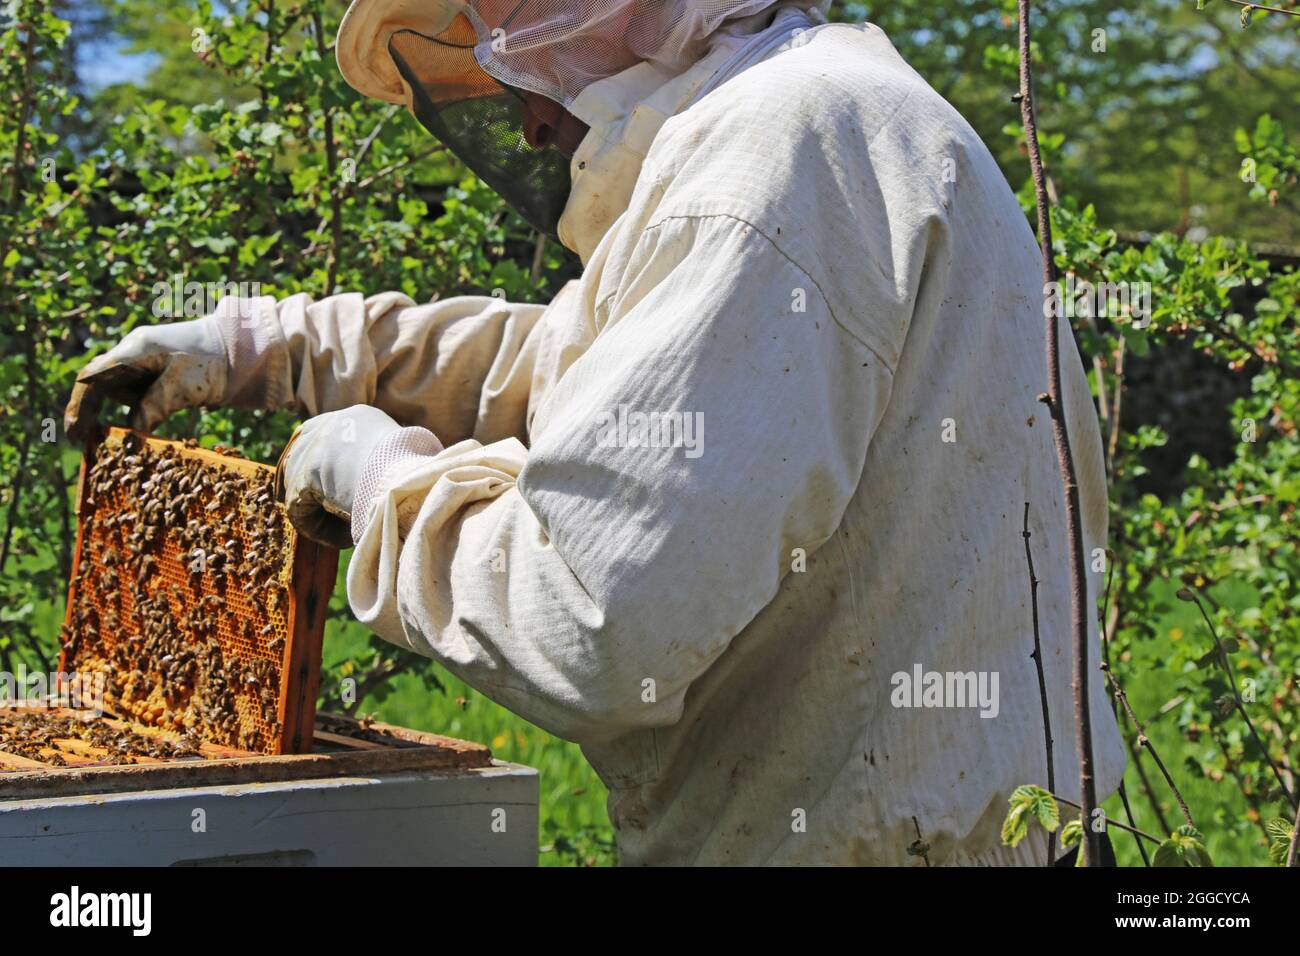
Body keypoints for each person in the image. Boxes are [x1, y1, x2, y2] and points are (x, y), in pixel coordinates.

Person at [64, 0, 1127, 865]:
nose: (526, 122)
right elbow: (576, 368)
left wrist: (382, 478)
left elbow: (588, 621)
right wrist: (271, 342)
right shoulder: (816, 115)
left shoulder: (777, 159)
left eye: (515, 51)